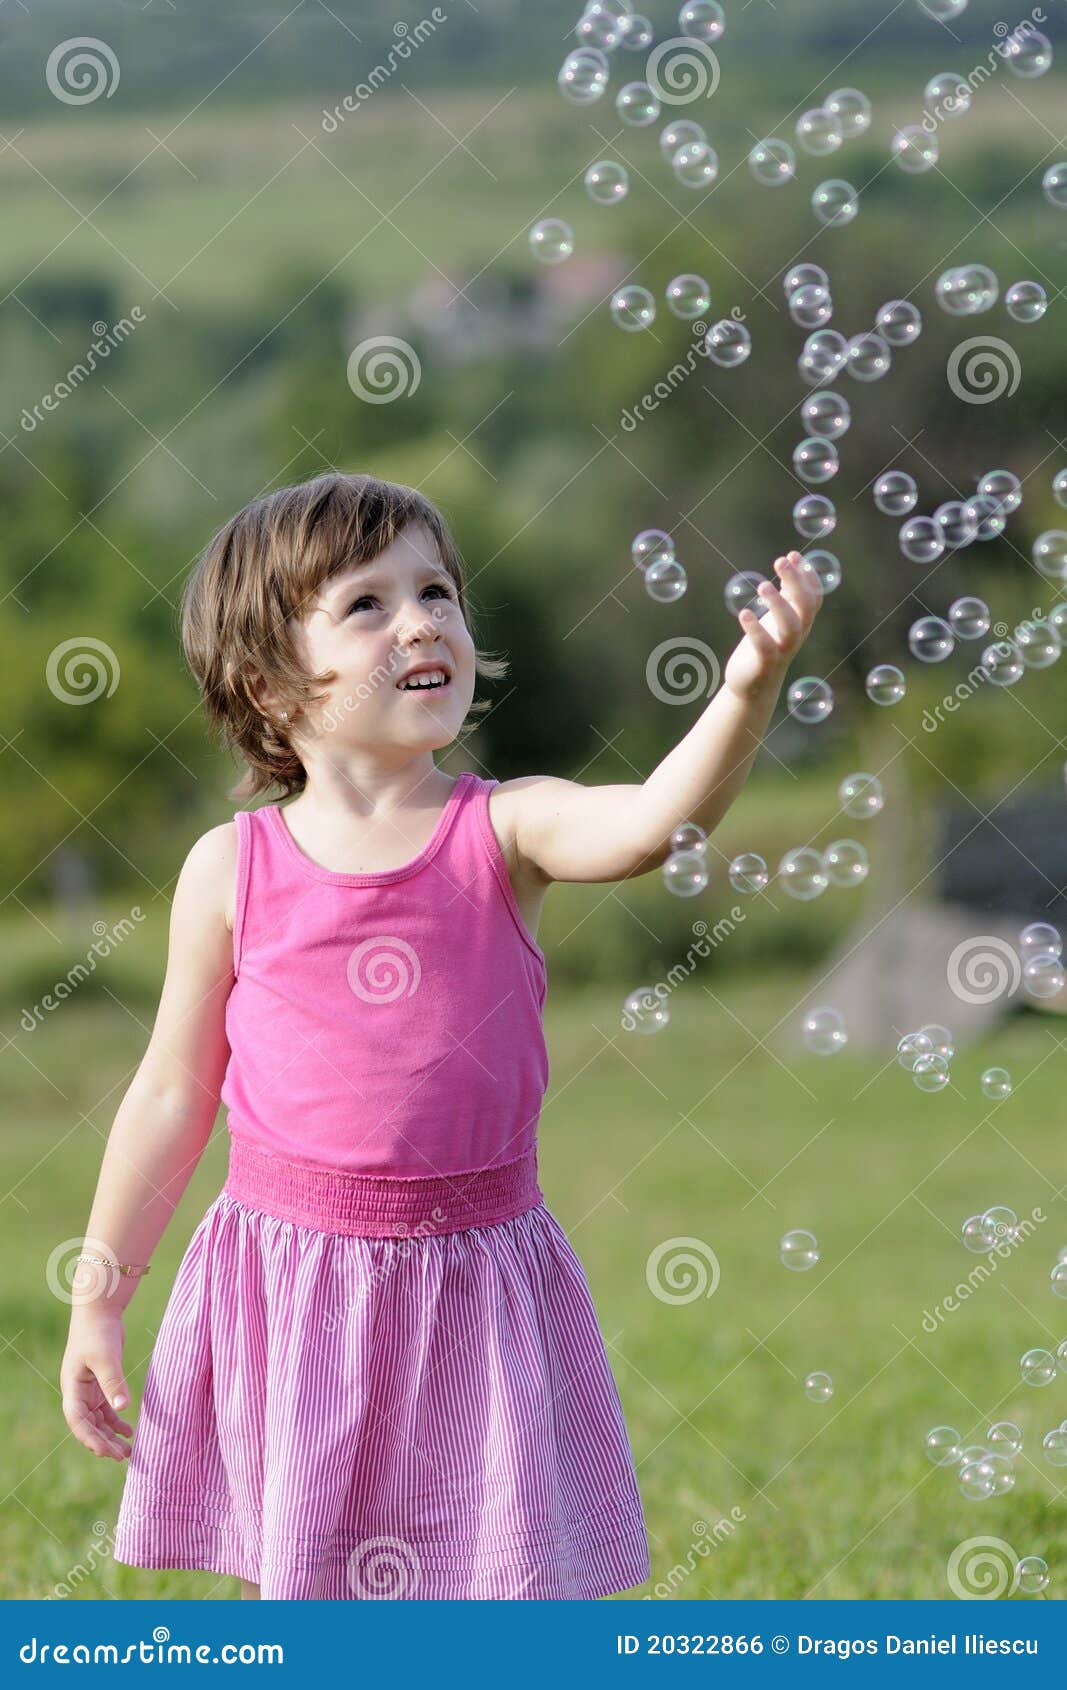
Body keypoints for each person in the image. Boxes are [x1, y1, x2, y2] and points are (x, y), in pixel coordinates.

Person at [59, 470, 821, 1600]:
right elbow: (172, 1093)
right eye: (366, 604)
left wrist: (745, 692)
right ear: (271, 683)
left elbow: (657, 820)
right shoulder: (231, 869)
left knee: (499, 1584)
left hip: (476, 1279)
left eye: (436, 592)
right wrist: (99, 1294)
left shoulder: (503, 829)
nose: (420, 621)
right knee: (322, 1595)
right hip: (297, 1284)